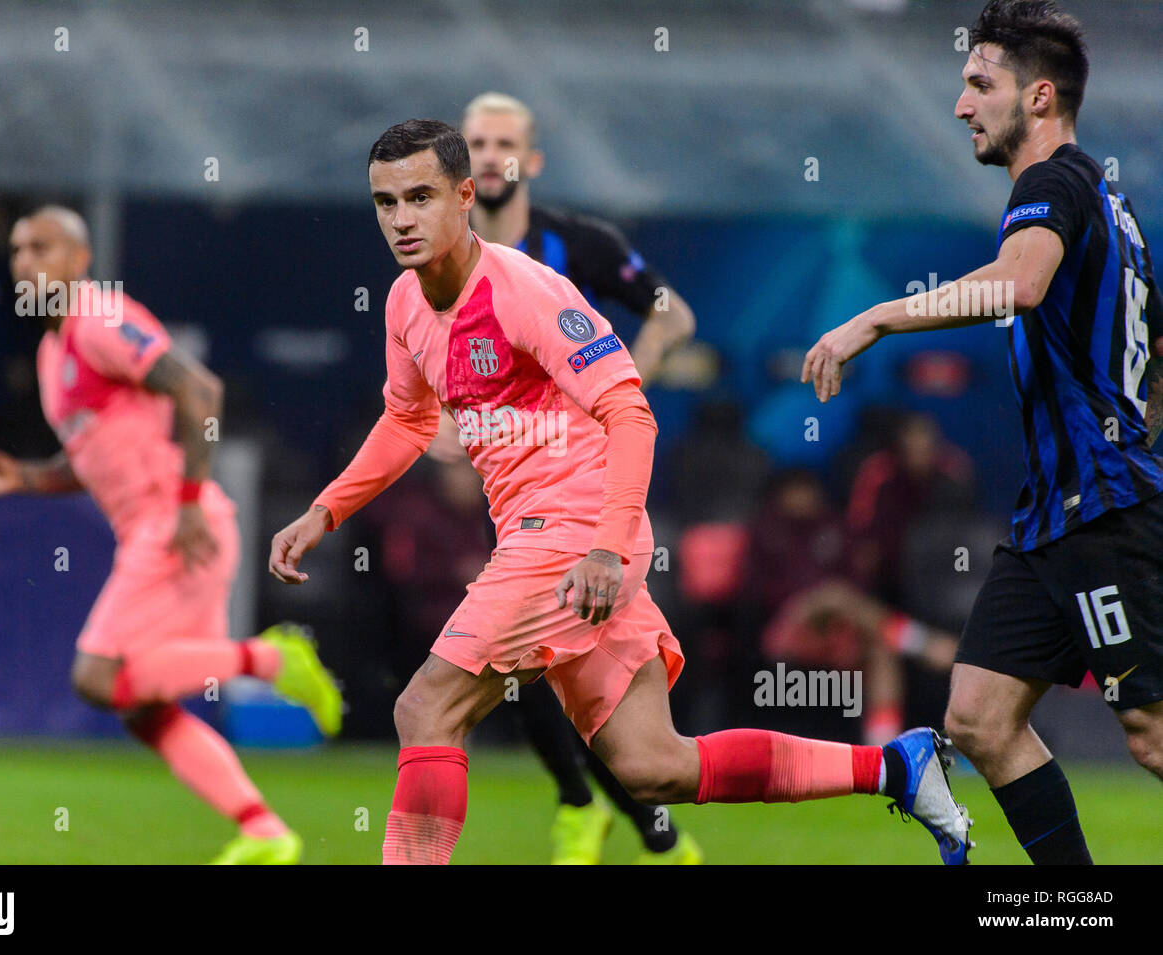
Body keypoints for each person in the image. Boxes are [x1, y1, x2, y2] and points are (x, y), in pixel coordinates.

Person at [270, 119, 973, 866]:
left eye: (420, 196)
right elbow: (408, 421)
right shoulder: (406, 305)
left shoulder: (528, 291)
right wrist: (325, 509)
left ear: (465, 195)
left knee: (425, 709)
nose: (402, 219)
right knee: (653, 764)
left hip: (576, 534)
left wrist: (605, 546)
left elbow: (630, 410)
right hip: (553, 544)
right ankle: (897, 766)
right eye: (385, 202)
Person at [803, 0, 1163, 864]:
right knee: (978, 718)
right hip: (1055, 518)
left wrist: (876, 319)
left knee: (1149, 733)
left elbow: (1018, 285)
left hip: (1103, 512)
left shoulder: (1054, 184)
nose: (961, 104)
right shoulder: (1110, 205)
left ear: (1039, 98)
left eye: (979, 84)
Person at [0, 205, 343, 865]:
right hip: (157, 529)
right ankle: (265, 830)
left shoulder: (100, 318)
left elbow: (200, 390)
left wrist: (188, 503)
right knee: (143, 706)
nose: (25, 262)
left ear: (79, 261)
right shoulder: (52, 353)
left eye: (41, 247)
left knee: (97, 676)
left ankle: (269, 660)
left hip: (176, 525)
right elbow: (86, 464)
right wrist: (16, 475)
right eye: (17, 250)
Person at [463, 91, 699, 863]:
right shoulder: (444, 254)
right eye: (475, 142)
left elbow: (673, 313)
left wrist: (628, 380)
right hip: (508, 480)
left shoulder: (578, 244)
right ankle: (637, 826)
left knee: (544, 655)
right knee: (525, 663)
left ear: (529, 161)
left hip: (589, 482)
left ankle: (589, 811)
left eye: (504, 142)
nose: (489, 154)